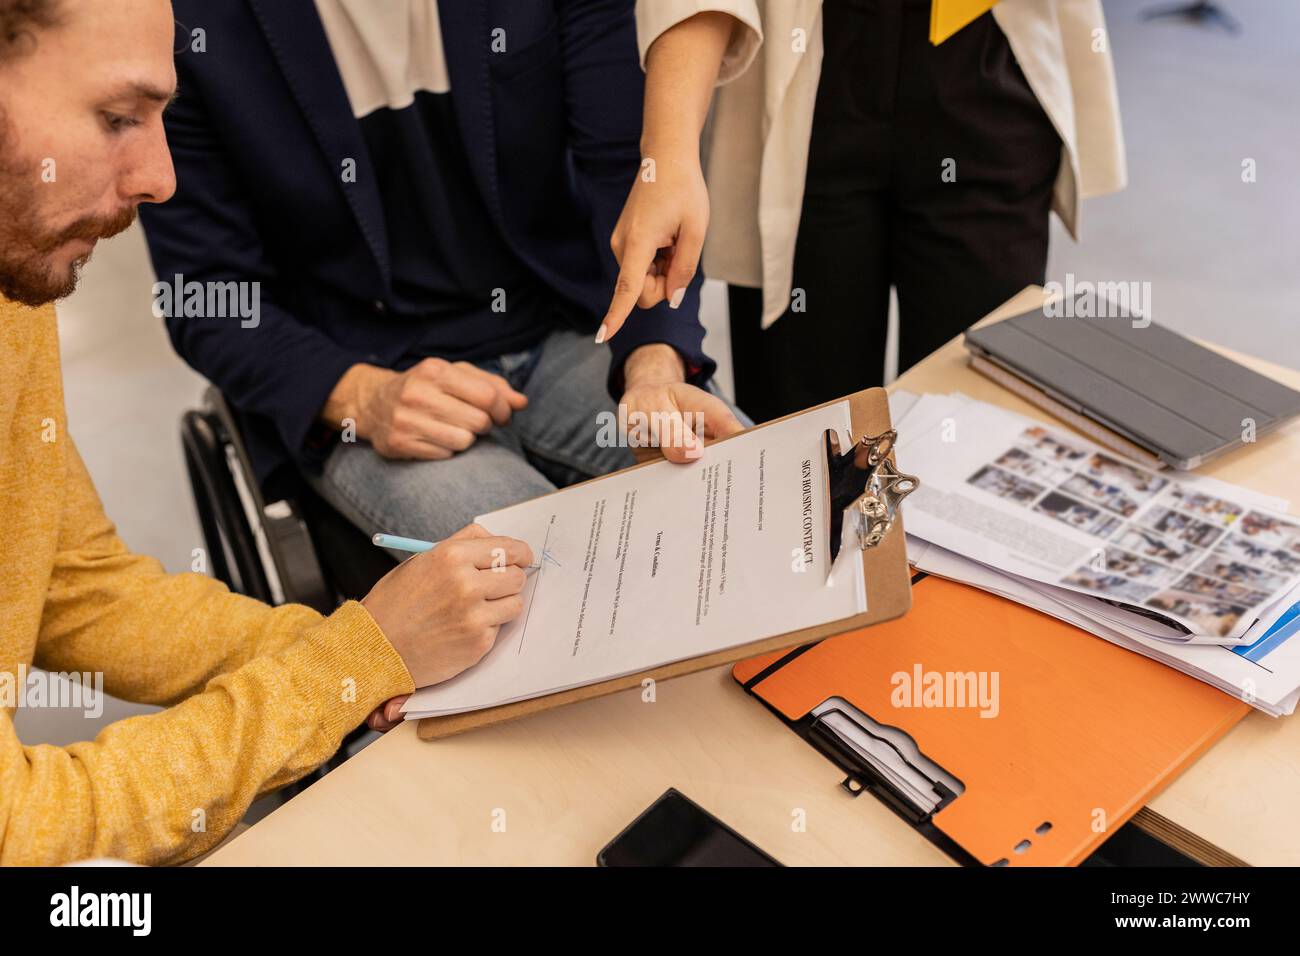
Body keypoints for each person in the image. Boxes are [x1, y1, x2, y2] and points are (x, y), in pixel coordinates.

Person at [0, 0, 533, 865]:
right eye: (116, 118)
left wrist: (362, 656)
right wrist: (343, 671)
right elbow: (21, 830)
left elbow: (75, 582)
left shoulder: (12, 274)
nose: (161, 179)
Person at [138, 0, 745, 546]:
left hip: (570, 331)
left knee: (741, 505)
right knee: (542, 583)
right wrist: (360, 396)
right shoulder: (186, 24)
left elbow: (628, 171)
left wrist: (652, 363)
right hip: (369, 380)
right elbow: (206, 295)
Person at [601, 0, 1127, 422]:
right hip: (806, 66)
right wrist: (668, 153)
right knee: (808, 442)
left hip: (986, 51)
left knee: (973, 416)